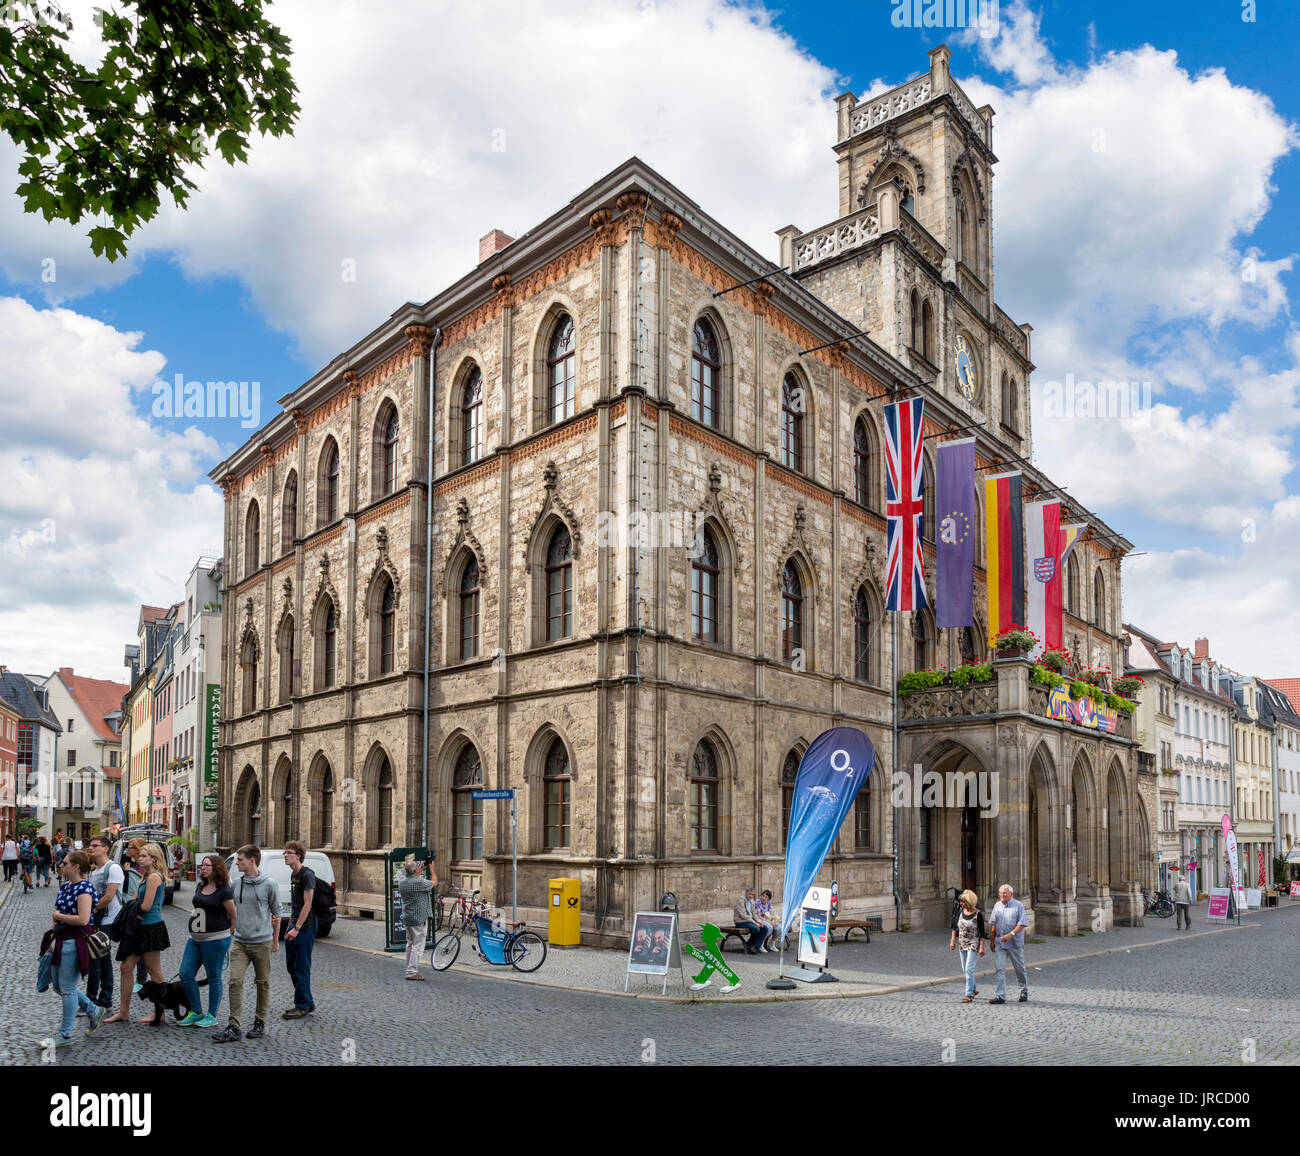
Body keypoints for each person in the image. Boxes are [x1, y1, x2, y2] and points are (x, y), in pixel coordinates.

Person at [213, 844, 281, 1044]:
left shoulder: (270, 884)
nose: (236, 863)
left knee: (263, 983)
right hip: (240, 942)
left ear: (252, 860)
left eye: (240, 859)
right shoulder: (236, 884)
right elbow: (230, 912)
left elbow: (276, 915)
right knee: (235, 981)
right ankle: (234, 1026)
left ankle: (259, 1022)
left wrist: (275, 941)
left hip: (262, 942)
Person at [102, 842, 170, 1024]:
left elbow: (146, 906)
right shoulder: (145, 876)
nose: (140, 858)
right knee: (126, 967)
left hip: (151, 927)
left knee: (153, 970)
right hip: (139, 926)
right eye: (140, 855)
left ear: (154, 859)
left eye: (144, 856)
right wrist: (133, 909)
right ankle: (123, 1012)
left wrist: (133, 909)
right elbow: (134, 901)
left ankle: (160, 1013)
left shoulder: (155, 877)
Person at [42, 849, 104, 1043]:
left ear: (76, 867)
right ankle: (94, 1010)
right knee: (59, 986)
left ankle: (65, 1033)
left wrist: (57, 917)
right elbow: (58, 911)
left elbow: (83, 919)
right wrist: (51, 938)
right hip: (60, 940)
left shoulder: (84, 889)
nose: (61, 865)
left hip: (75, 942)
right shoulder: (66, 886)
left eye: (66, 863)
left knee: (67, 988)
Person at [177, 854, 236, 1028]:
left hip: (215, 940)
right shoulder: (200, 885)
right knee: (186, 974)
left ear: (216, 868)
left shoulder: (224, 889)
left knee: (213, 976)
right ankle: (196, 1011)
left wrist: (228, 932)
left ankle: (212, 1015)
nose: (203, 868)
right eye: (202, 865)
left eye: (207, 865)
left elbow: (232, 915)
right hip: (195, 938)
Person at [85, 835, 124, 1010]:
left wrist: (91, 910)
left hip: (108, 920)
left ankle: (92, 999)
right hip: (97, 920)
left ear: (106, 848)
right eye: (90, 846)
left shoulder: (113, 868)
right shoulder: (93, 871)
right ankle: (104, 997)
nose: (91, 848)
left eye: (95, 846)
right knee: (102, 959)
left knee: (96, 959)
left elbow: (108, 896)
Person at [282, 841, 316, 1019]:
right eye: (284, 852)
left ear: (299, 856)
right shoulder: (293, 874)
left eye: (289, 852)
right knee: (291, 967)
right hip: (294, 924)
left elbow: (308, 904)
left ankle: (301, 1006)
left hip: (305, 927)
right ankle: (307, 1000)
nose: (285, 855)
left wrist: (296, 927)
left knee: (301, 967)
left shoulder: (307, 874)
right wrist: (290, 925)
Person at [988, 883, 1029, 1005]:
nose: (1002, 895)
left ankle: (1024, 991)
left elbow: (1022, 924)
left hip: (1014, 943)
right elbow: (993, 924)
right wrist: (991, 941)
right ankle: (1000, 996)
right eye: (1000, 893)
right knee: (999, 969)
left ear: (1011, 894)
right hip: (1000, 943)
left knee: (1019, 969)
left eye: (1004, 893)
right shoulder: (997, 905)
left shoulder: (1018, 906)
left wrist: (1010, 934)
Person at [397, 856, 436, 980]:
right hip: (418, 919)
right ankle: (412, 972)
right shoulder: (419, 883)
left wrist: (421, 868)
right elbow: (434, 883)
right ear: (414, 871)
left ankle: (409, 968)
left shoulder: (402, 882)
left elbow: (414, 877)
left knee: (410, 944)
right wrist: (432, 870)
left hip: (408, 917)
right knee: (418, 946)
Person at [948, 888, 986, 1002]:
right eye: (960, 901)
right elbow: (955, 927)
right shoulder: (960, 912)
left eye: (963, 901)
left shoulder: (978, 914)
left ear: (969, 901)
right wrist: (952, 941)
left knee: (969, 970)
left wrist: (981, 947)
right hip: (962, 943)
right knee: (965, 969)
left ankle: (968, 994)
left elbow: (982, 933)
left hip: (973, 944)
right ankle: (974, 989)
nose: (961, 903)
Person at [732, 888, 770, 954]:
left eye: (752, 895)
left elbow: (754, 914)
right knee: (756, 928)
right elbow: (743, 915)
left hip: (749, 921)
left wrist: (759, 922)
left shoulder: (751, 901)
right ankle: (749, 944)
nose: (751, 896)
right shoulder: (740, 901)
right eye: (749, 894)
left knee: (765, 928)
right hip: (741, 921)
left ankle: (755, 946)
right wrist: (755, 923)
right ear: (746, 893)